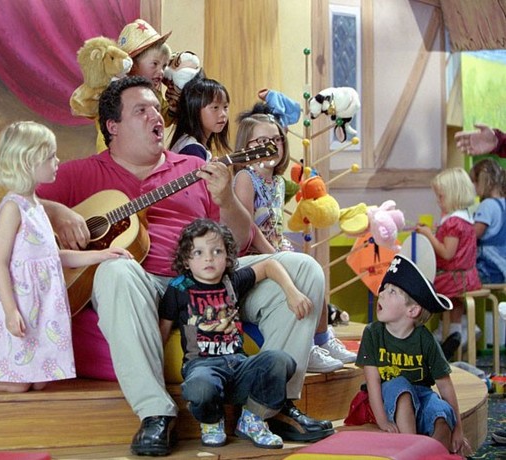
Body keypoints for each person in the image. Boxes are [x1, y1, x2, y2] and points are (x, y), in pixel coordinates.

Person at [35, 76, 333, 456]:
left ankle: (269, 408)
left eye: (156, 109)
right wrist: (56, 211)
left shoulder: (194, 166)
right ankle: (155, 413)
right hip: (144, 281)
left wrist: (226, 199)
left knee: (303, 268)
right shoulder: (80, 174)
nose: (155, 116)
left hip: (213, 275)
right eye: (141, 110)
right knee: (113, 270)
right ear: (113, 126)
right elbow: (14, 206)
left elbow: (238, 240)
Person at [0, 121, 131, 392]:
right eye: (50, 157)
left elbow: (52, 257)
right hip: (21, 303)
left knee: (39, 383)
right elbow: (0, 263)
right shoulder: (12, 208)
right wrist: (10, 311)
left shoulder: (37, 206)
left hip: (42, 307)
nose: (57, 161)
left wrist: (101, 255)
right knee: (18, 387)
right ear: (28, 162)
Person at [159, 219, 303, 449]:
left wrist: (291, 292)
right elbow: (163, 330)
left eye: (217, 251)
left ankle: (253, 419)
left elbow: (269, 265)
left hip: (238, 365)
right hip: (202, 367)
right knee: (199, 386)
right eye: (198, 252)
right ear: (186, 260)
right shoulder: (178, 288)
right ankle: (211, 421)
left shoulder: (232, 281)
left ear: (227, 257)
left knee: (280, 360)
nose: (209, 258)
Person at [233, 113, 356, 373]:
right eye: (262, 141)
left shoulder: (277, 182)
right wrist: (275, 254)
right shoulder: (245, 177)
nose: (271, 145)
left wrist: (283, 248)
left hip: (275, 250)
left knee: (314, 273)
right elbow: (248, 226)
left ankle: (322, 339)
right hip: (254, 258)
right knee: (299, 275)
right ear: (246, 146)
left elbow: (275, 225)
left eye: (276, 139)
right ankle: (305, 346)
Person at [356, 254, 470, 456]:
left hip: (422, 394)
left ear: (413, 310)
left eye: (392, 291)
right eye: (384, 288)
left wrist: (458, 429)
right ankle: (411, 449)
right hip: (390, 396)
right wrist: (383, 421)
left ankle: (432, 453)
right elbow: (373, 382)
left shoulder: (425, 339)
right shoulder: (373, 333)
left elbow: (444, 385)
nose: (381, 293)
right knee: (401, 388)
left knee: (441, 412)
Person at [416, 167, 481, 358]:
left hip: (454, 278)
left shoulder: (453, 223)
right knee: (453, 298)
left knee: (422, 290)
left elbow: (447, 253)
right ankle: (456, 330)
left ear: (454, 195)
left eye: (441, 196)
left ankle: (443, 332)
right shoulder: (465, 219)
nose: (438, 201)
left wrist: (428, 235)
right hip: (465, 277)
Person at [95, 19, 172, 152]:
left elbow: (166, 118)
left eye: (164, 66)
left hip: (147, 154)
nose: (161, 72)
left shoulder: (154, 94)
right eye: (154, 64)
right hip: (117, 153)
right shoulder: (114, 94)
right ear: (132, 64)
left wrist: (174, 107)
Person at [169, 77, 231, 161]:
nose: (223, 114)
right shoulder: (192, 150)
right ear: (194, 110)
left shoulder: (191, 144)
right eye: (215, 107)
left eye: (225, 107)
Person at [469, 158, 506, 284]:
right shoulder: (503, 202)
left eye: (474, 183)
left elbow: (475, 234)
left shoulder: (487, 205)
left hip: (490, 268)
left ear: (482, 181)